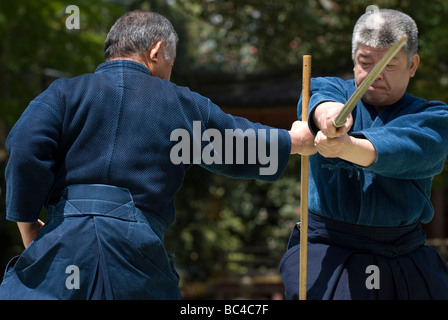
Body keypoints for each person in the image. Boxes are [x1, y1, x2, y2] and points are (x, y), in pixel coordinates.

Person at [0, 11, 315, 300]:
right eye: (171, 62)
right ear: (156, 50)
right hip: (133, 250)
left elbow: (26, 146)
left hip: (62, 242)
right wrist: (293, 140)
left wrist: (28, 226)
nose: (169, 72)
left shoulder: (62, 93)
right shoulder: (177, 103)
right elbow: (235, 143)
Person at [279, 8, 448, 299]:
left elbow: (405, 150)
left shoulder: (432, 116)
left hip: (402, 253)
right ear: (354, 58)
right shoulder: (329, 88)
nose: (374, 76)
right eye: (365, 63)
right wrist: (329, 117)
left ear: (413, 64)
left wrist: (345, 146)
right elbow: (319, 99)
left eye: (389, 65)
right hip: (331, 249)